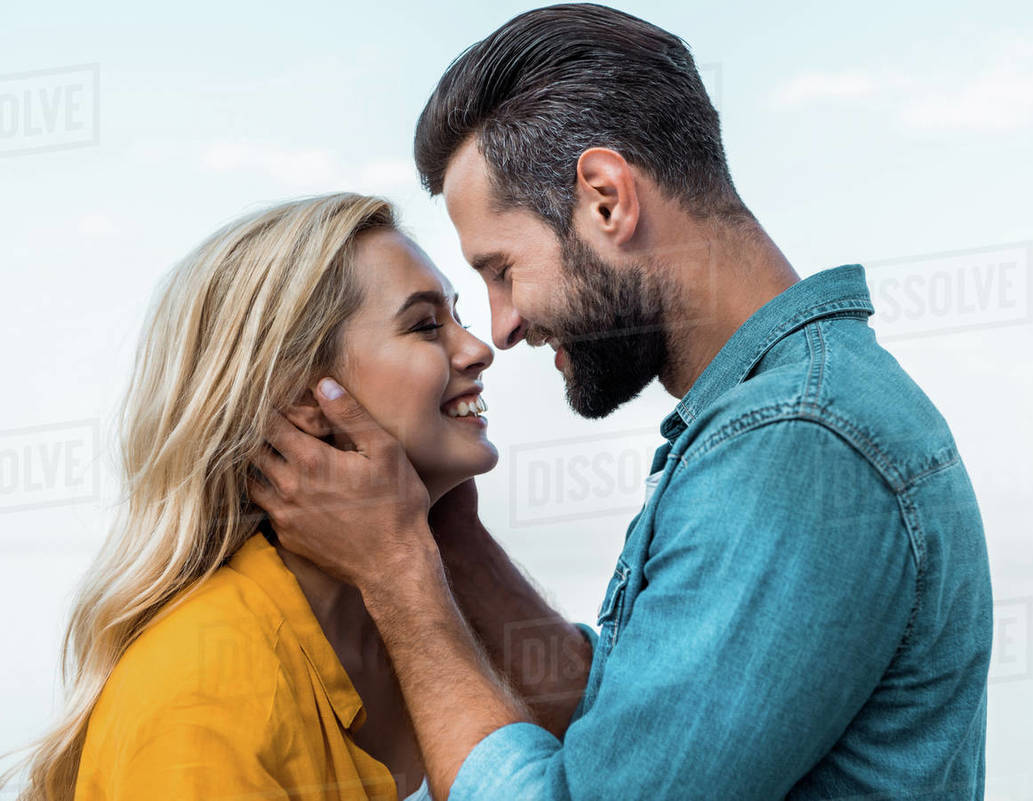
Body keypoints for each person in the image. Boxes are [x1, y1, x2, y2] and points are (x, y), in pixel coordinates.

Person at [254, 4, 994, 801]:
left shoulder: (793, 444)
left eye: (502, 269)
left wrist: (398, 572)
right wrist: (451, 539)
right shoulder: (783, 416)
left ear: (607, 199)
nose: (501, 329)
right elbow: (642, 738)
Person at [5, 193, 501, 800]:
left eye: (458, 316)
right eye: (425, 325)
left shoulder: (417, 632)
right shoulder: (204, 686)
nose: (480, 349)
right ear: (303, 399)